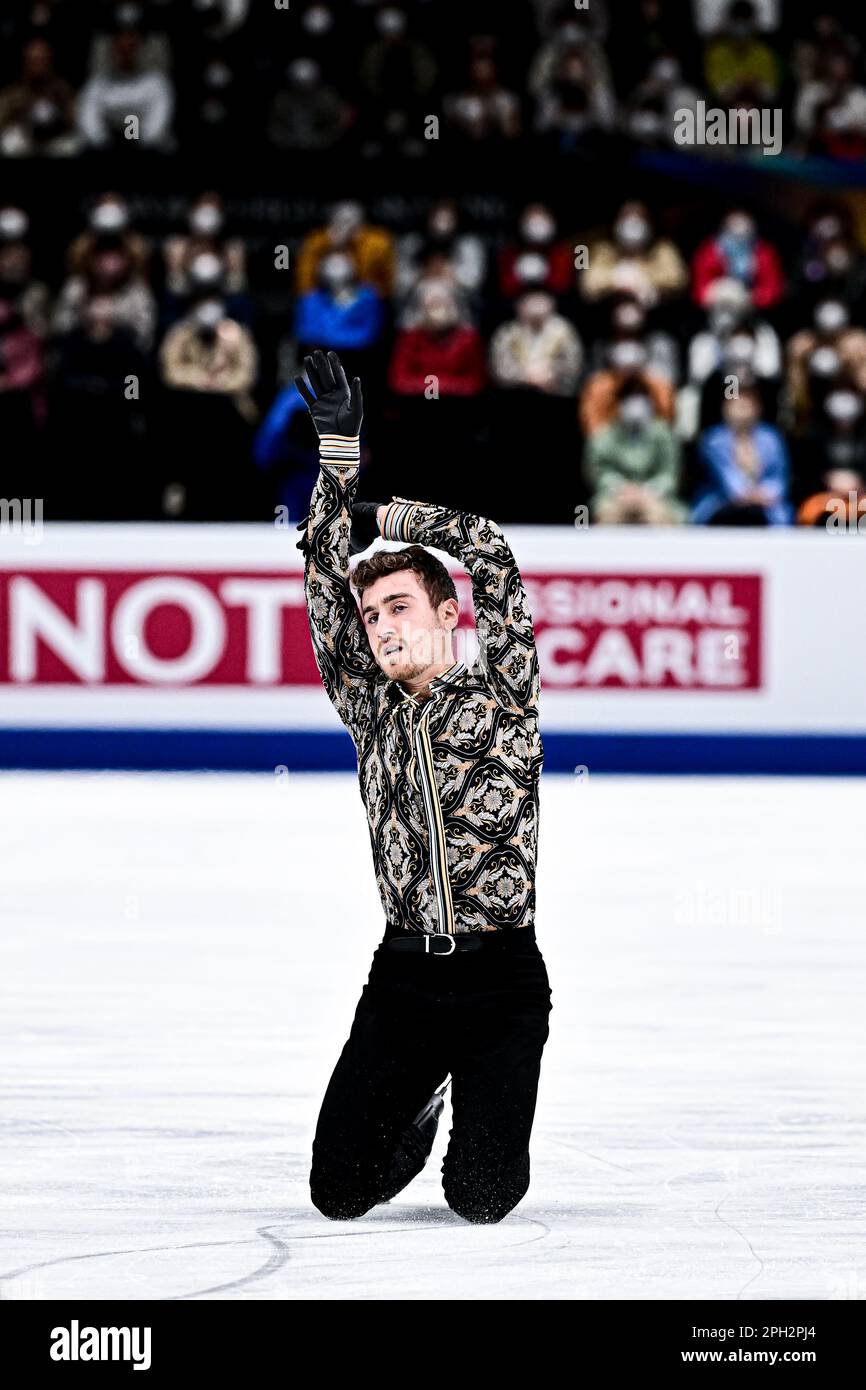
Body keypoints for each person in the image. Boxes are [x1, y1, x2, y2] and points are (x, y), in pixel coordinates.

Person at [295, 349, 552, 1223]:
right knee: (338, 1194)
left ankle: (476, 1099)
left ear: (448, 616)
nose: (378, 626)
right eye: (372, 617)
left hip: (502, 982)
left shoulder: (503, 689)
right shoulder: (368, 707)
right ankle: (422, 1094)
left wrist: (390, 512)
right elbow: (324, 585)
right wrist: (338, 459)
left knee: (482, 1200)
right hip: (404, 978)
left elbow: (493, 551)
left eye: (397, 606)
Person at [692, 385, 793, 524]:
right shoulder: (714, 439)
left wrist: (764, 494)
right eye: (736, 405)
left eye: (746, 406)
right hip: (721, 502)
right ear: (725, 408)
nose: (741, 411)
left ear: (757, 409)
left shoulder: (771, 438)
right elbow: (725, 478)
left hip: (767, 504)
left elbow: (779, 477)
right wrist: (746, 494)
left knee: (779, 518)